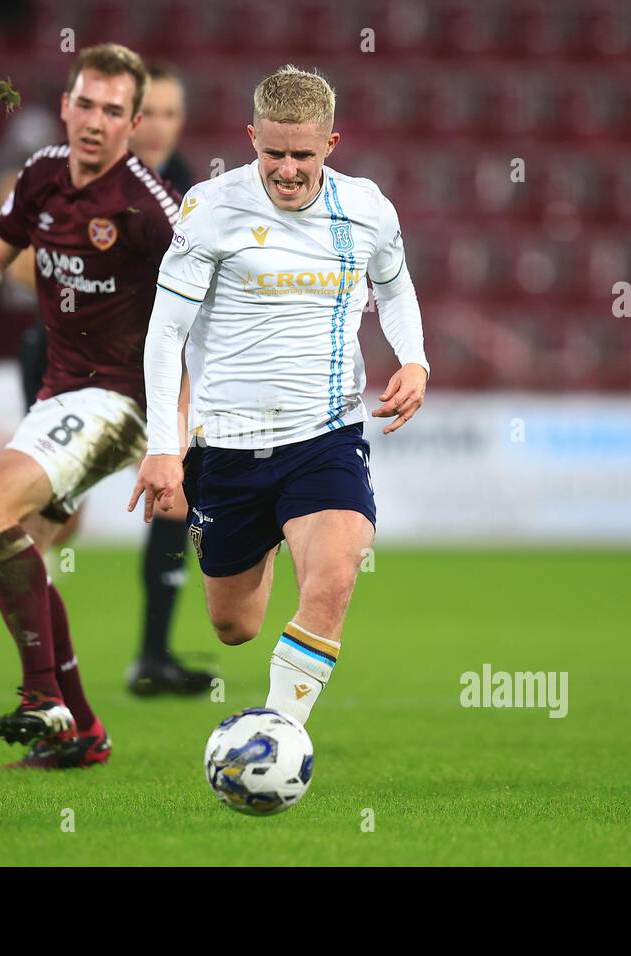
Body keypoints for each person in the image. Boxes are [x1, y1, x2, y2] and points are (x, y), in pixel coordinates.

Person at [129, 64, 430, 727]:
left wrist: (414, 359)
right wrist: (162, 448)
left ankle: (275, 736)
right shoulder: (210, 209)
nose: (287, 169)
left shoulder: (368, 208)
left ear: (332, 143)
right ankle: (262, 536)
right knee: (234, 626)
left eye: (302, 154)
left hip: (324, 437)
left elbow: (396, 286)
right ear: (250, 138)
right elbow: (166, 332)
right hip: (229, 446)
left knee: (334, 578)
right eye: (273, 153)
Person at [0, 61, 215, 697]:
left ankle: (92, 683)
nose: (147, 125)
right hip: (52, 363)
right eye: (89, 107)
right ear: (67, 106)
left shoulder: (169, 199)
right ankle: (72, 713)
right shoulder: (45, 174)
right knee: (29, 535)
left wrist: (174, 436)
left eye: (159, 115)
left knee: (3, 511)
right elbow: (2, 251)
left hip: (130, 391)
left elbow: (184, 325)